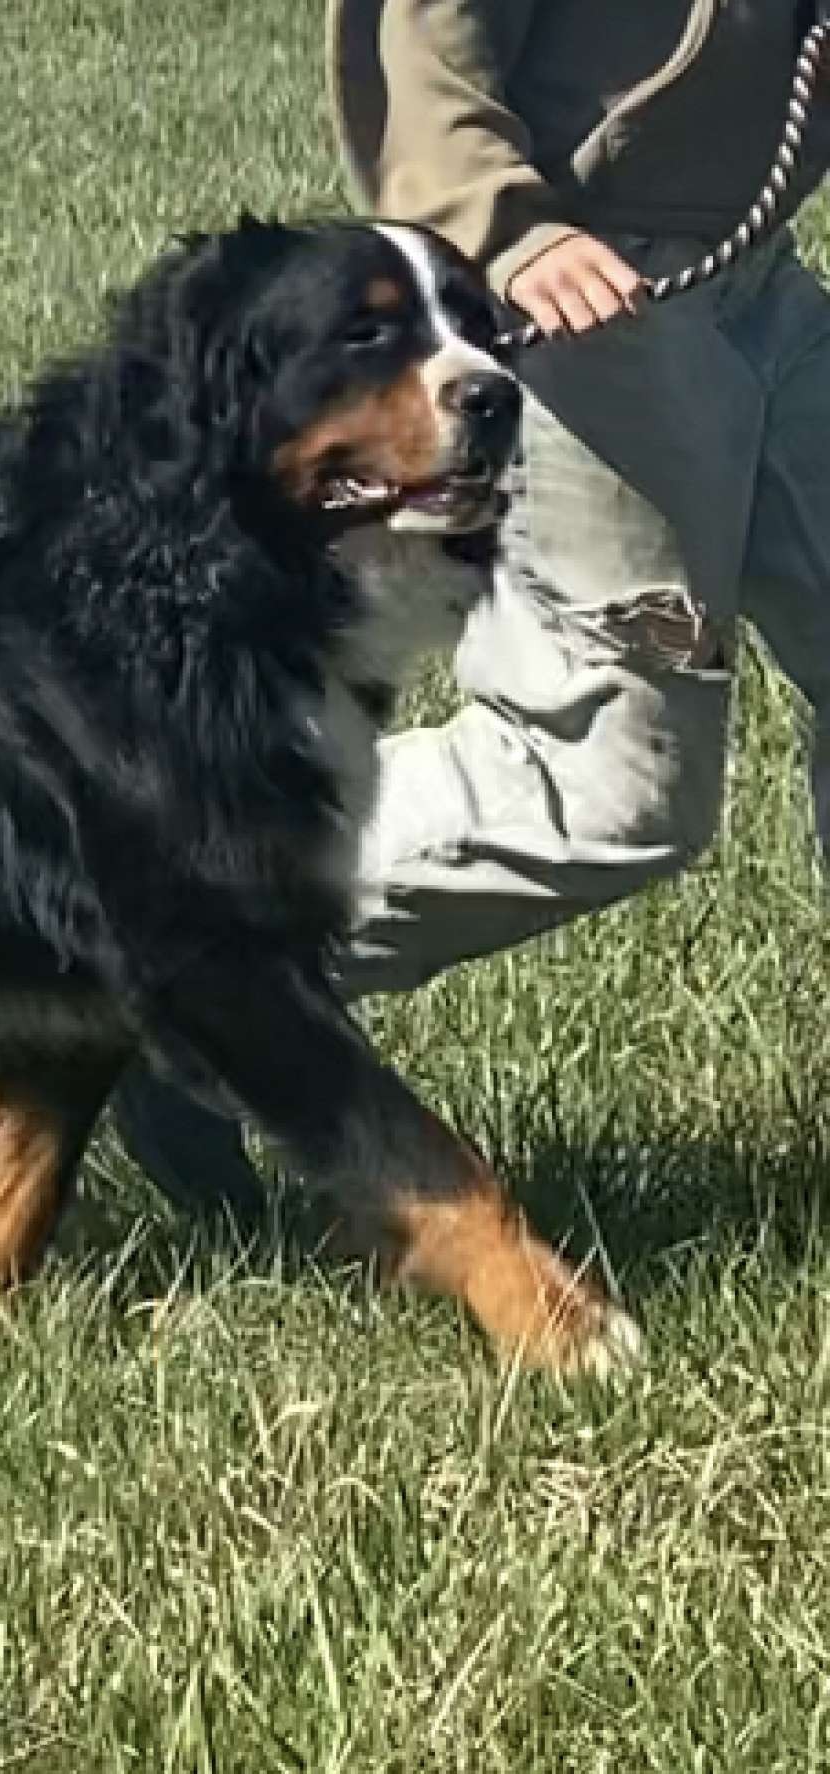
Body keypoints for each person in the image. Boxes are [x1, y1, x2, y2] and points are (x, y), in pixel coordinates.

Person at [115, 0, 830, 1217]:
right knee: (606, 783)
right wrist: (505, 221)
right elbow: (421, 32)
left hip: (751, 279)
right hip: (577, 293)